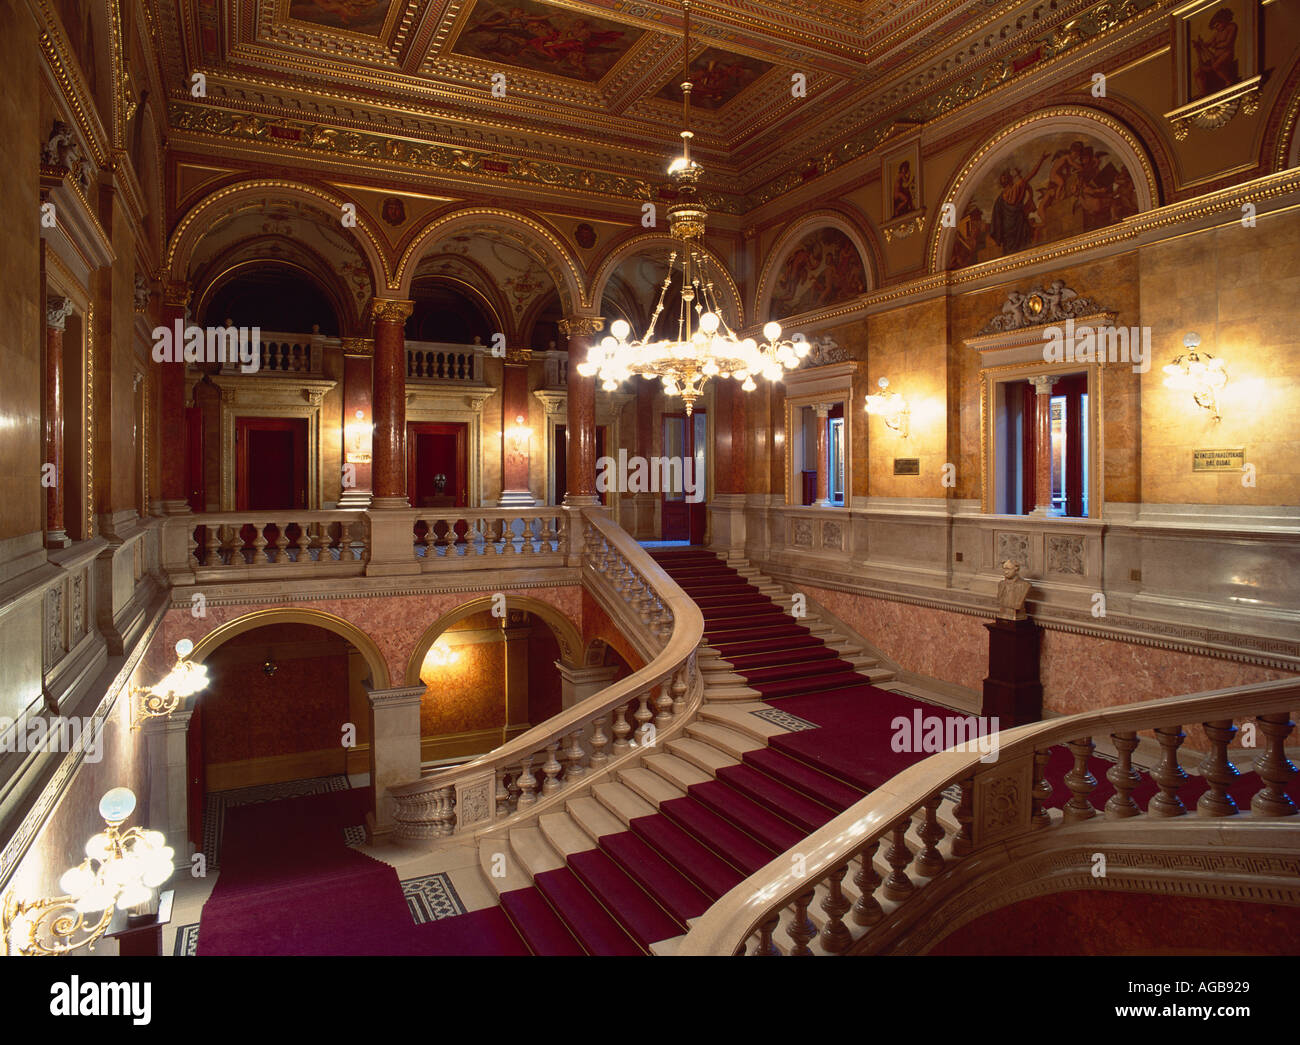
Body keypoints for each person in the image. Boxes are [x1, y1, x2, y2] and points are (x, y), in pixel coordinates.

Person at [991, 152, 1049, 256]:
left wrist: (1041, 160)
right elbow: (1031, 174)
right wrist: (1041, 159)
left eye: (1005, 177)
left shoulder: (1009, 192)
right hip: (1013, 226)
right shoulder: (1013, 189)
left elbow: (998, 218)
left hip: (1012, 226)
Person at [1192, 8, 1239, 99]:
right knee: (1198, 72)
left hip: (1226, 54)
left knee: (1216, 66)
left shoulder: (1232, 27)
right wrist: (1200, 44)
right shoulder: (1217, 33)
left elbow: (1228, 43)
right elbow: (1208, 43)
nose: (1217, 28)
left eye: (1217, 25)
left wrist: (1215, 46)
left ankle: (1229, 81)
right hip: (1215, 57)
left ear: (1223, 21)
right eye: (1215, 27)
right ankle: (1202, 92)